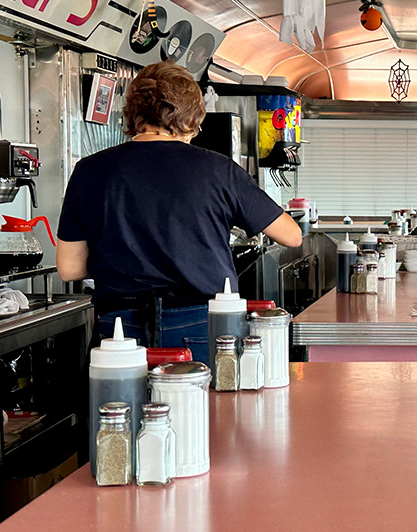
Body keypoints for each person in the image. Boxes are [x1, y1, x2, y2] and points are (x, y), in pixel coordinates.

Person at [56, 61, 302, 362]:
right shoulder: (217, 169)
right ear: (191, 117)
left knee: (120, 394)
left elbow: (70, 269)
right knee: (208, 394)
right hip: (203, 322)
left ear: (132, 112)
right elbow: (292, 235)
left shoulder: (89, 170)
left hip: (120, 326)